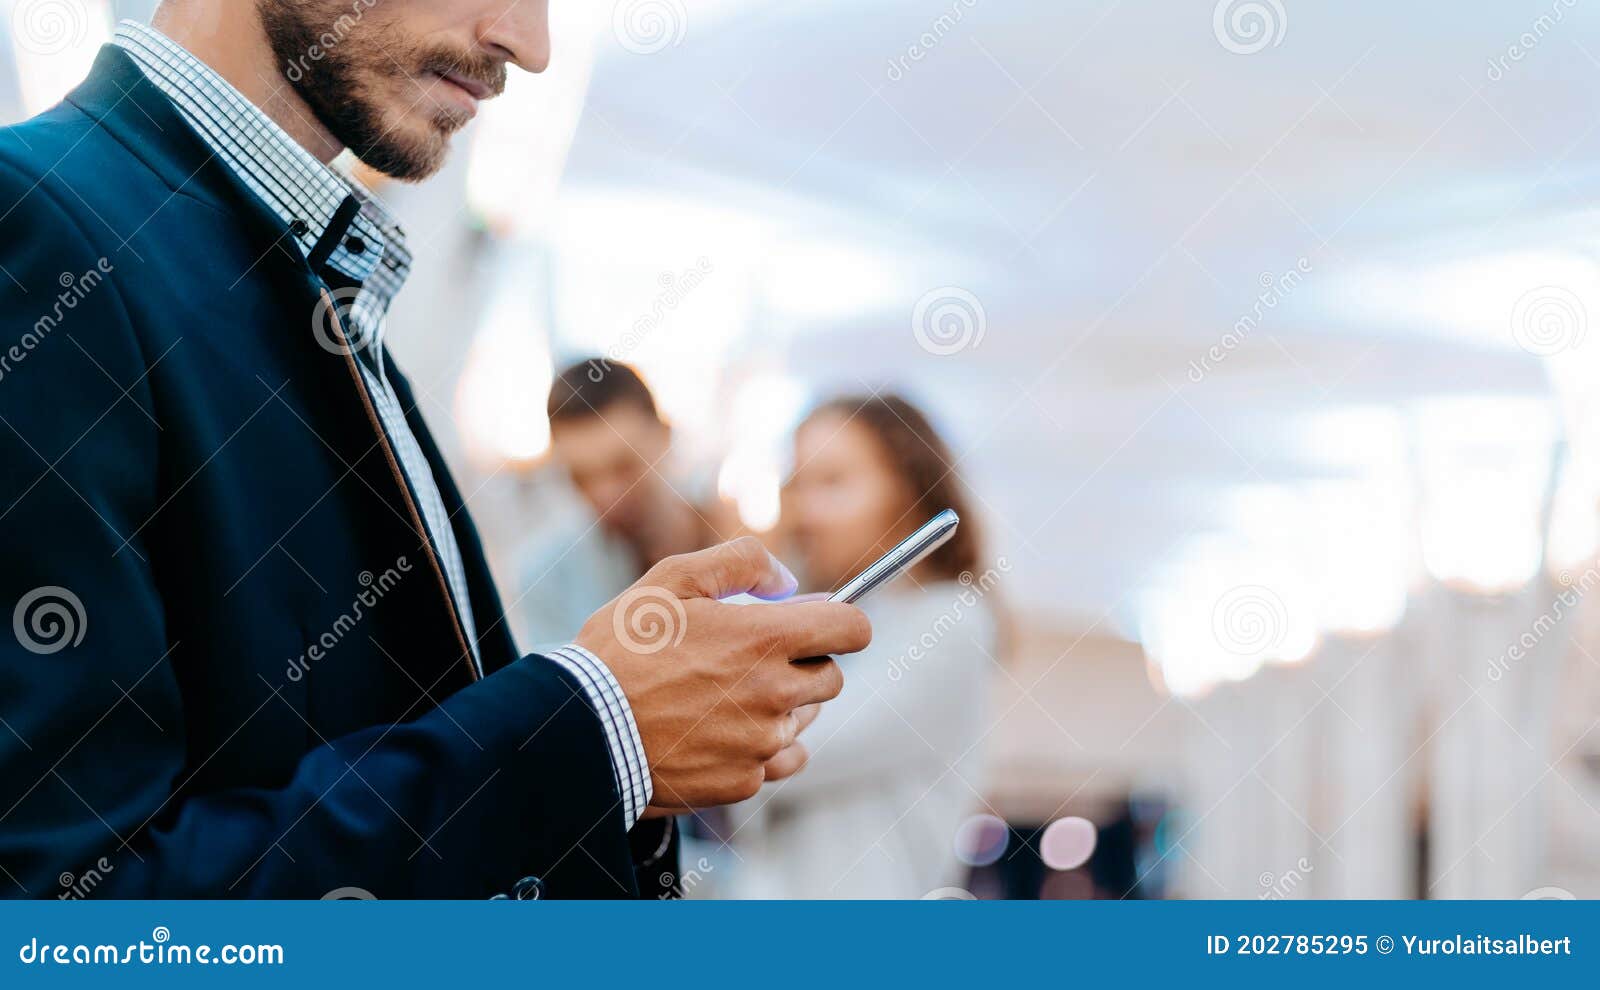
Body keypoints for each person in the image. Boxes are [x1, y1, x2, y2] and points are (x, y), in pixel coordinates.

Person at [0, 0, 869, 899]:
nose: (528, 46)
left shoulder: (307, 276)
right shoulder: (34, 227)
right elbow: (61, 917)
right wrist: (595, 731)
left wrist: (630, 742)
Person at [726, 394, 1001, 899]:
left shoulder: (950, 621)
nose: (805, 512)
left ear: (909, 490)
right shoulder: (828, 618)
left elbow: (784, 748)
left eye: (833, 482)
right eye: (798, 484)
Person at [519, 360, 735, 650]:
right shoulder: (546, 577)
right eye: (581, 477)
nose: (605, 494)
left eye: (623, 466)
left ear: (664, 437)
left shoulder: (738, 536)